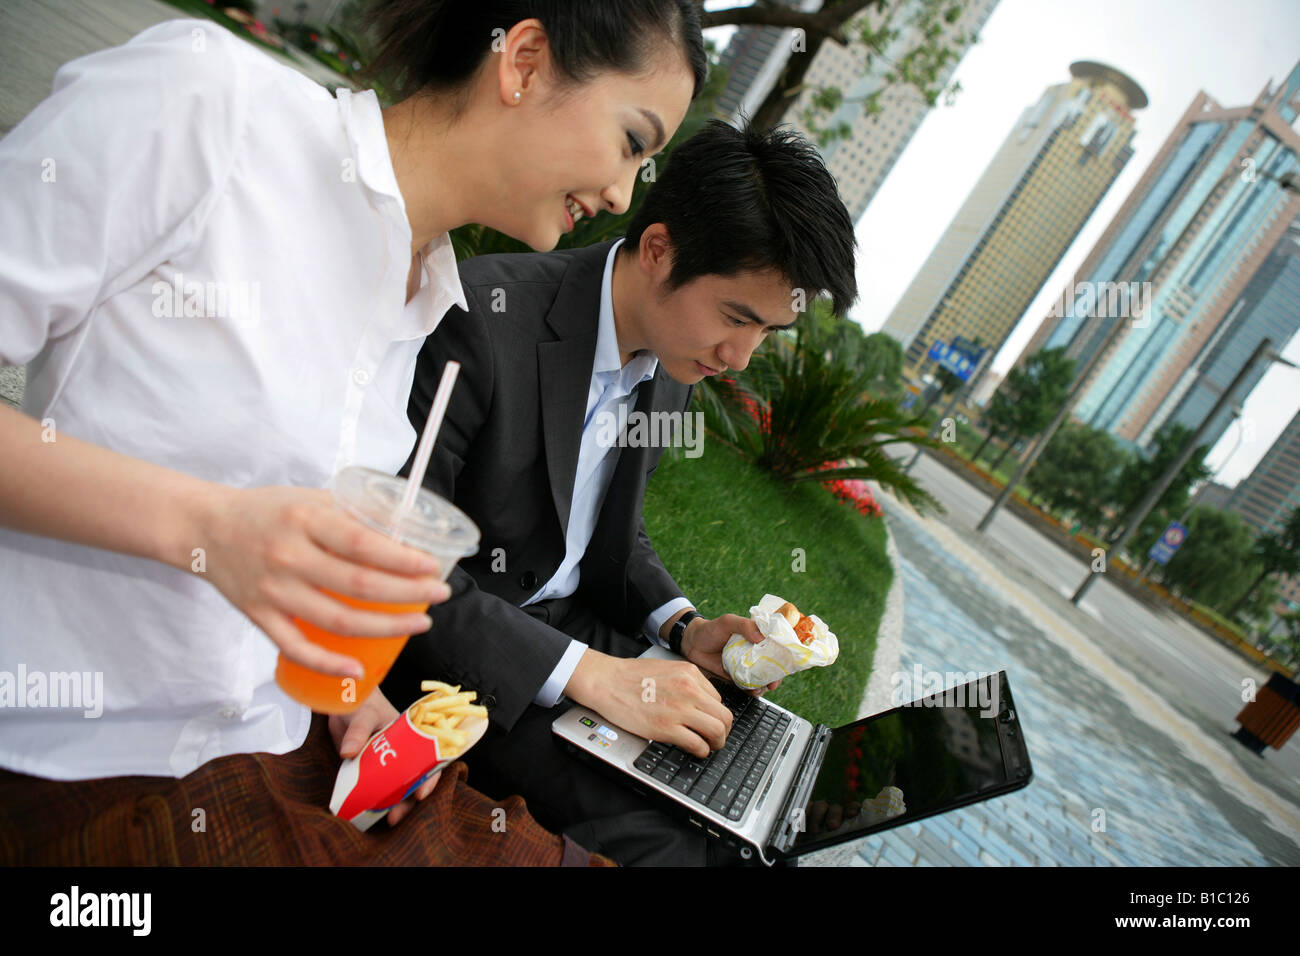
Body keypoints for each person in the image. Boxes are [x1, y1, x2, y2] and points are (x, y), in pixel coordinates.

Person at [0, 0, 705, 865]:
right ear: (521, 60)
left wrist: (351, 695)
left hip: (283, 751)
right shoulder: (213, 107)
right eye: (632, 142)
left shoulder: (434, 306)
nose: (622, 196)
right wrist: (206, 529)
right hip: (68, 767)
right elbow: (232, 534)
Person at [382, 119, 858, 865]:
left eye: (766, 331)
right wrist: (598, 679)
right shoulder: (480, 321)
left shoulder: (674, 360)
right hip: (464, 658)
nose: (740, 357)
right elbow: (395, 571)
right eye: (736, 318)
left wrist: (681, 628)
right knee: (682, 848)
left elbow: (613, 530)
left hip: (574, 628)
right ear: (660, 249)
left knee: (760, 821)